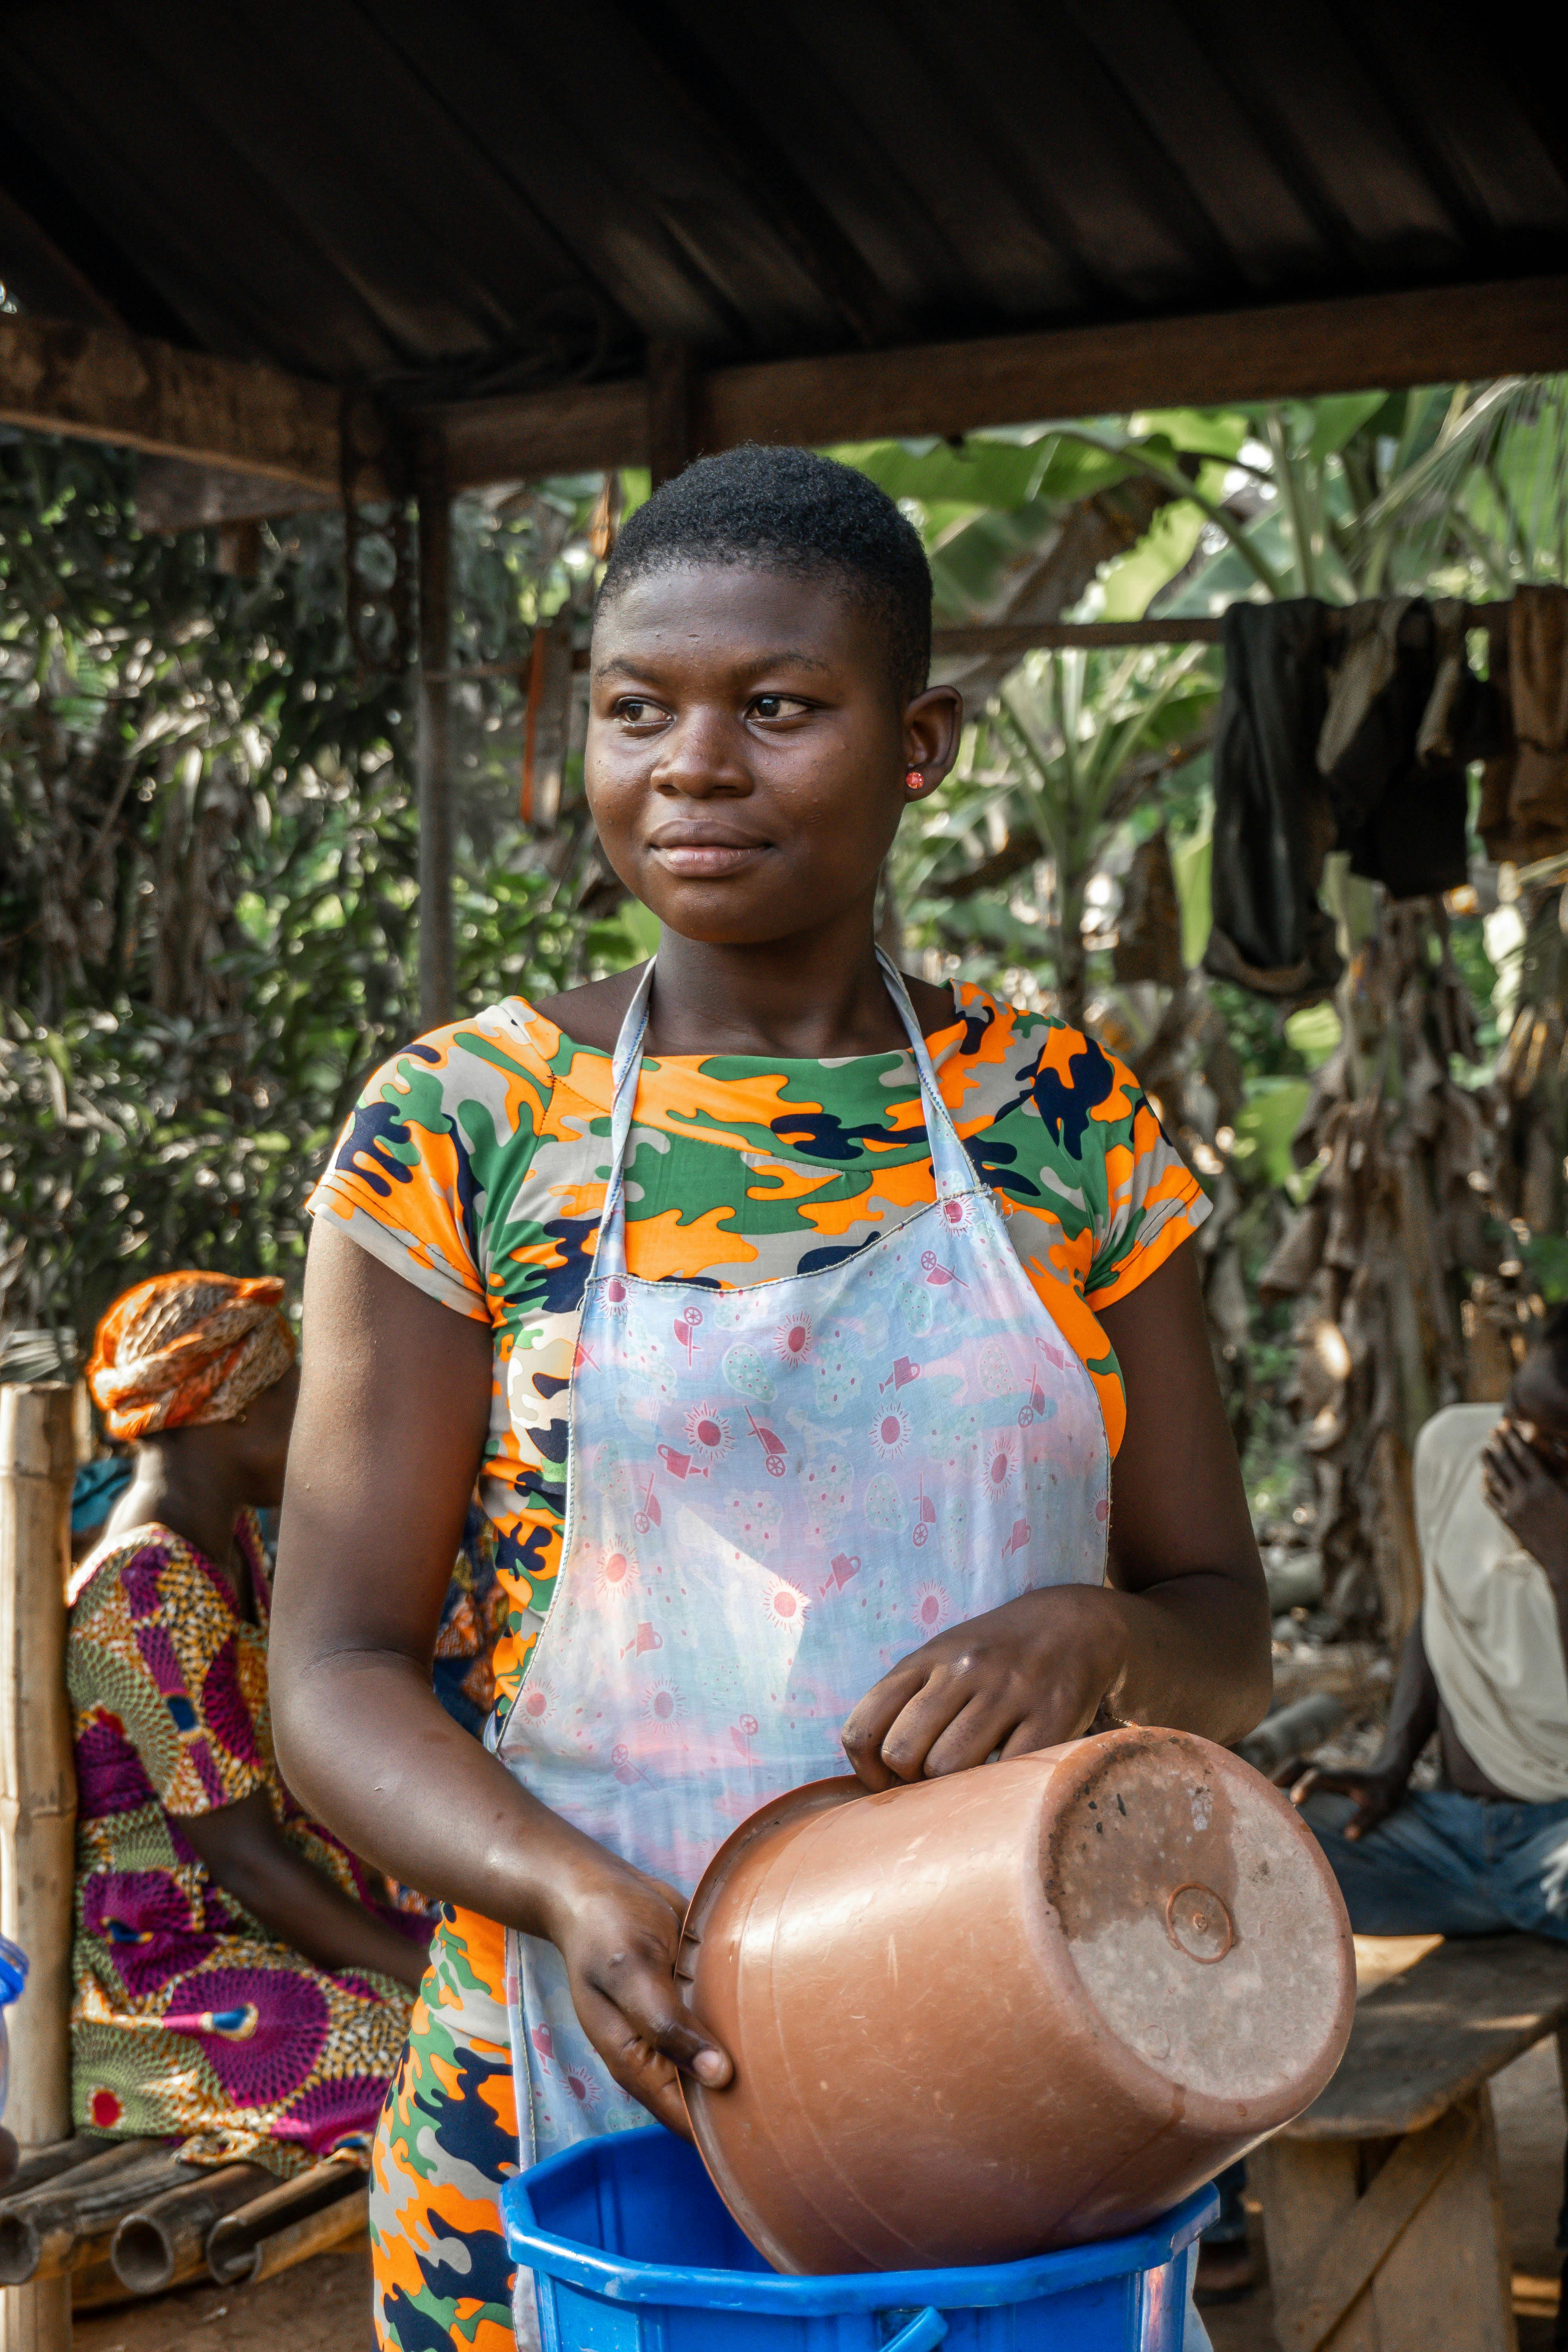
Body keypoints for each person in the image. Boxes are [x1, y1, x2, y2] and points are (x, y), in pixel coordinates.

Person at [270, 445, 1271, 2351]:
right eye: (640, 708)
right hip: (577, 2072)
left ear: (922, 746)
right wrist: (564, 1888)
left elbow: (1221, 1626)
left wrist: (1094, 1638)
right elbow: (329, 1666)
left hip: (1018, 2057)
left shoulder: (1059, 1121)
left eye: (780, 708)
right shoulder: (463, 1124)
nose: (694, 767)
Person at [70, 1271, 429, 2173]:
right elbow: (245, 1861)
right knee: (423, 2052)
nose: (310, 1412)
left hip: (256, 1932)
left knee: (486, 1981)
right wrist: (419, 1983)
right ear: (228, 1408)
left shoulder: (228, 1550)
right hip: (171, 1980)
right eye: (287, 1389)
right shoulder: (148, 1587)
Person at [1298, 1308, 1568, 2346]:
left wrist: (1561, 1561)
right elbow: (1434, 1615)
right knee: (1263, 1863)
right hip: (1448, 1835)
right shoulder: (1460, 1443)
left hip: (1559, 1848)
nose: (1523, 1455)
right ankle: (1216, 2204)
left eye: (1558, 1446)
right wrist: (1389, 1765)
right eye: (1522, 1422)